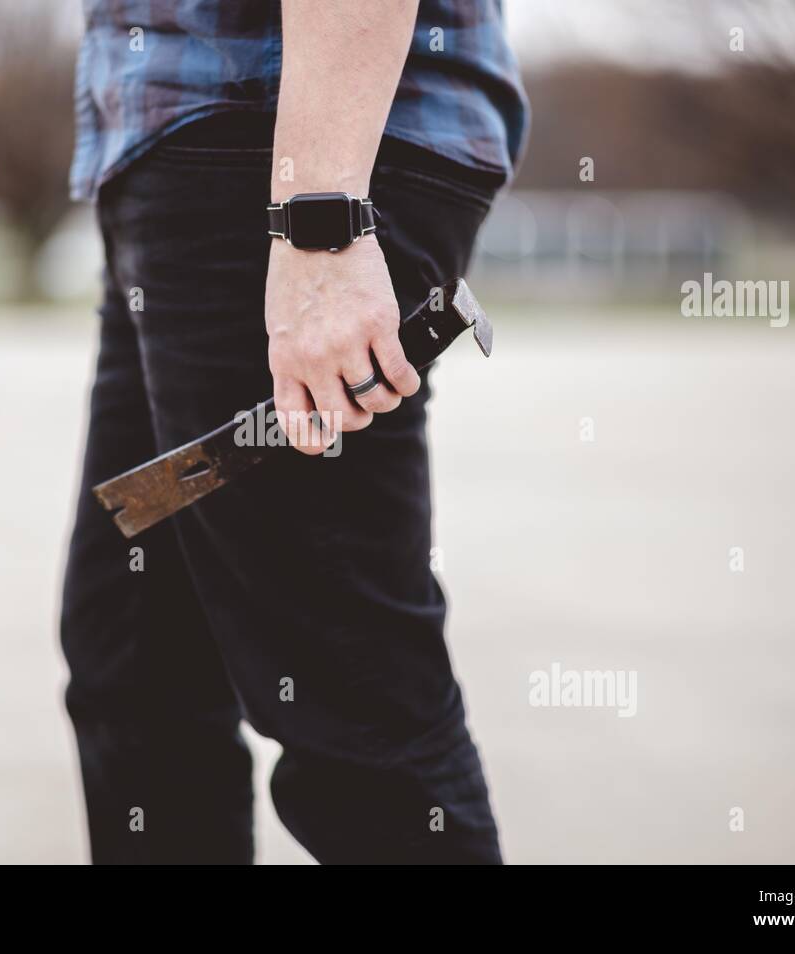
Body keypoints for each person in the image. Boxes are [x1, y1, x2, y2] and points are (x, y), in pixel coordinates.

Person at [61, 0, 527, 864]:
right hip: (176, 163)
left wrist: (324, 221)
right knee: (135, 671)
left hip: (278, 158)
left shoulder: (309, 202)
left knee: (357, 715)